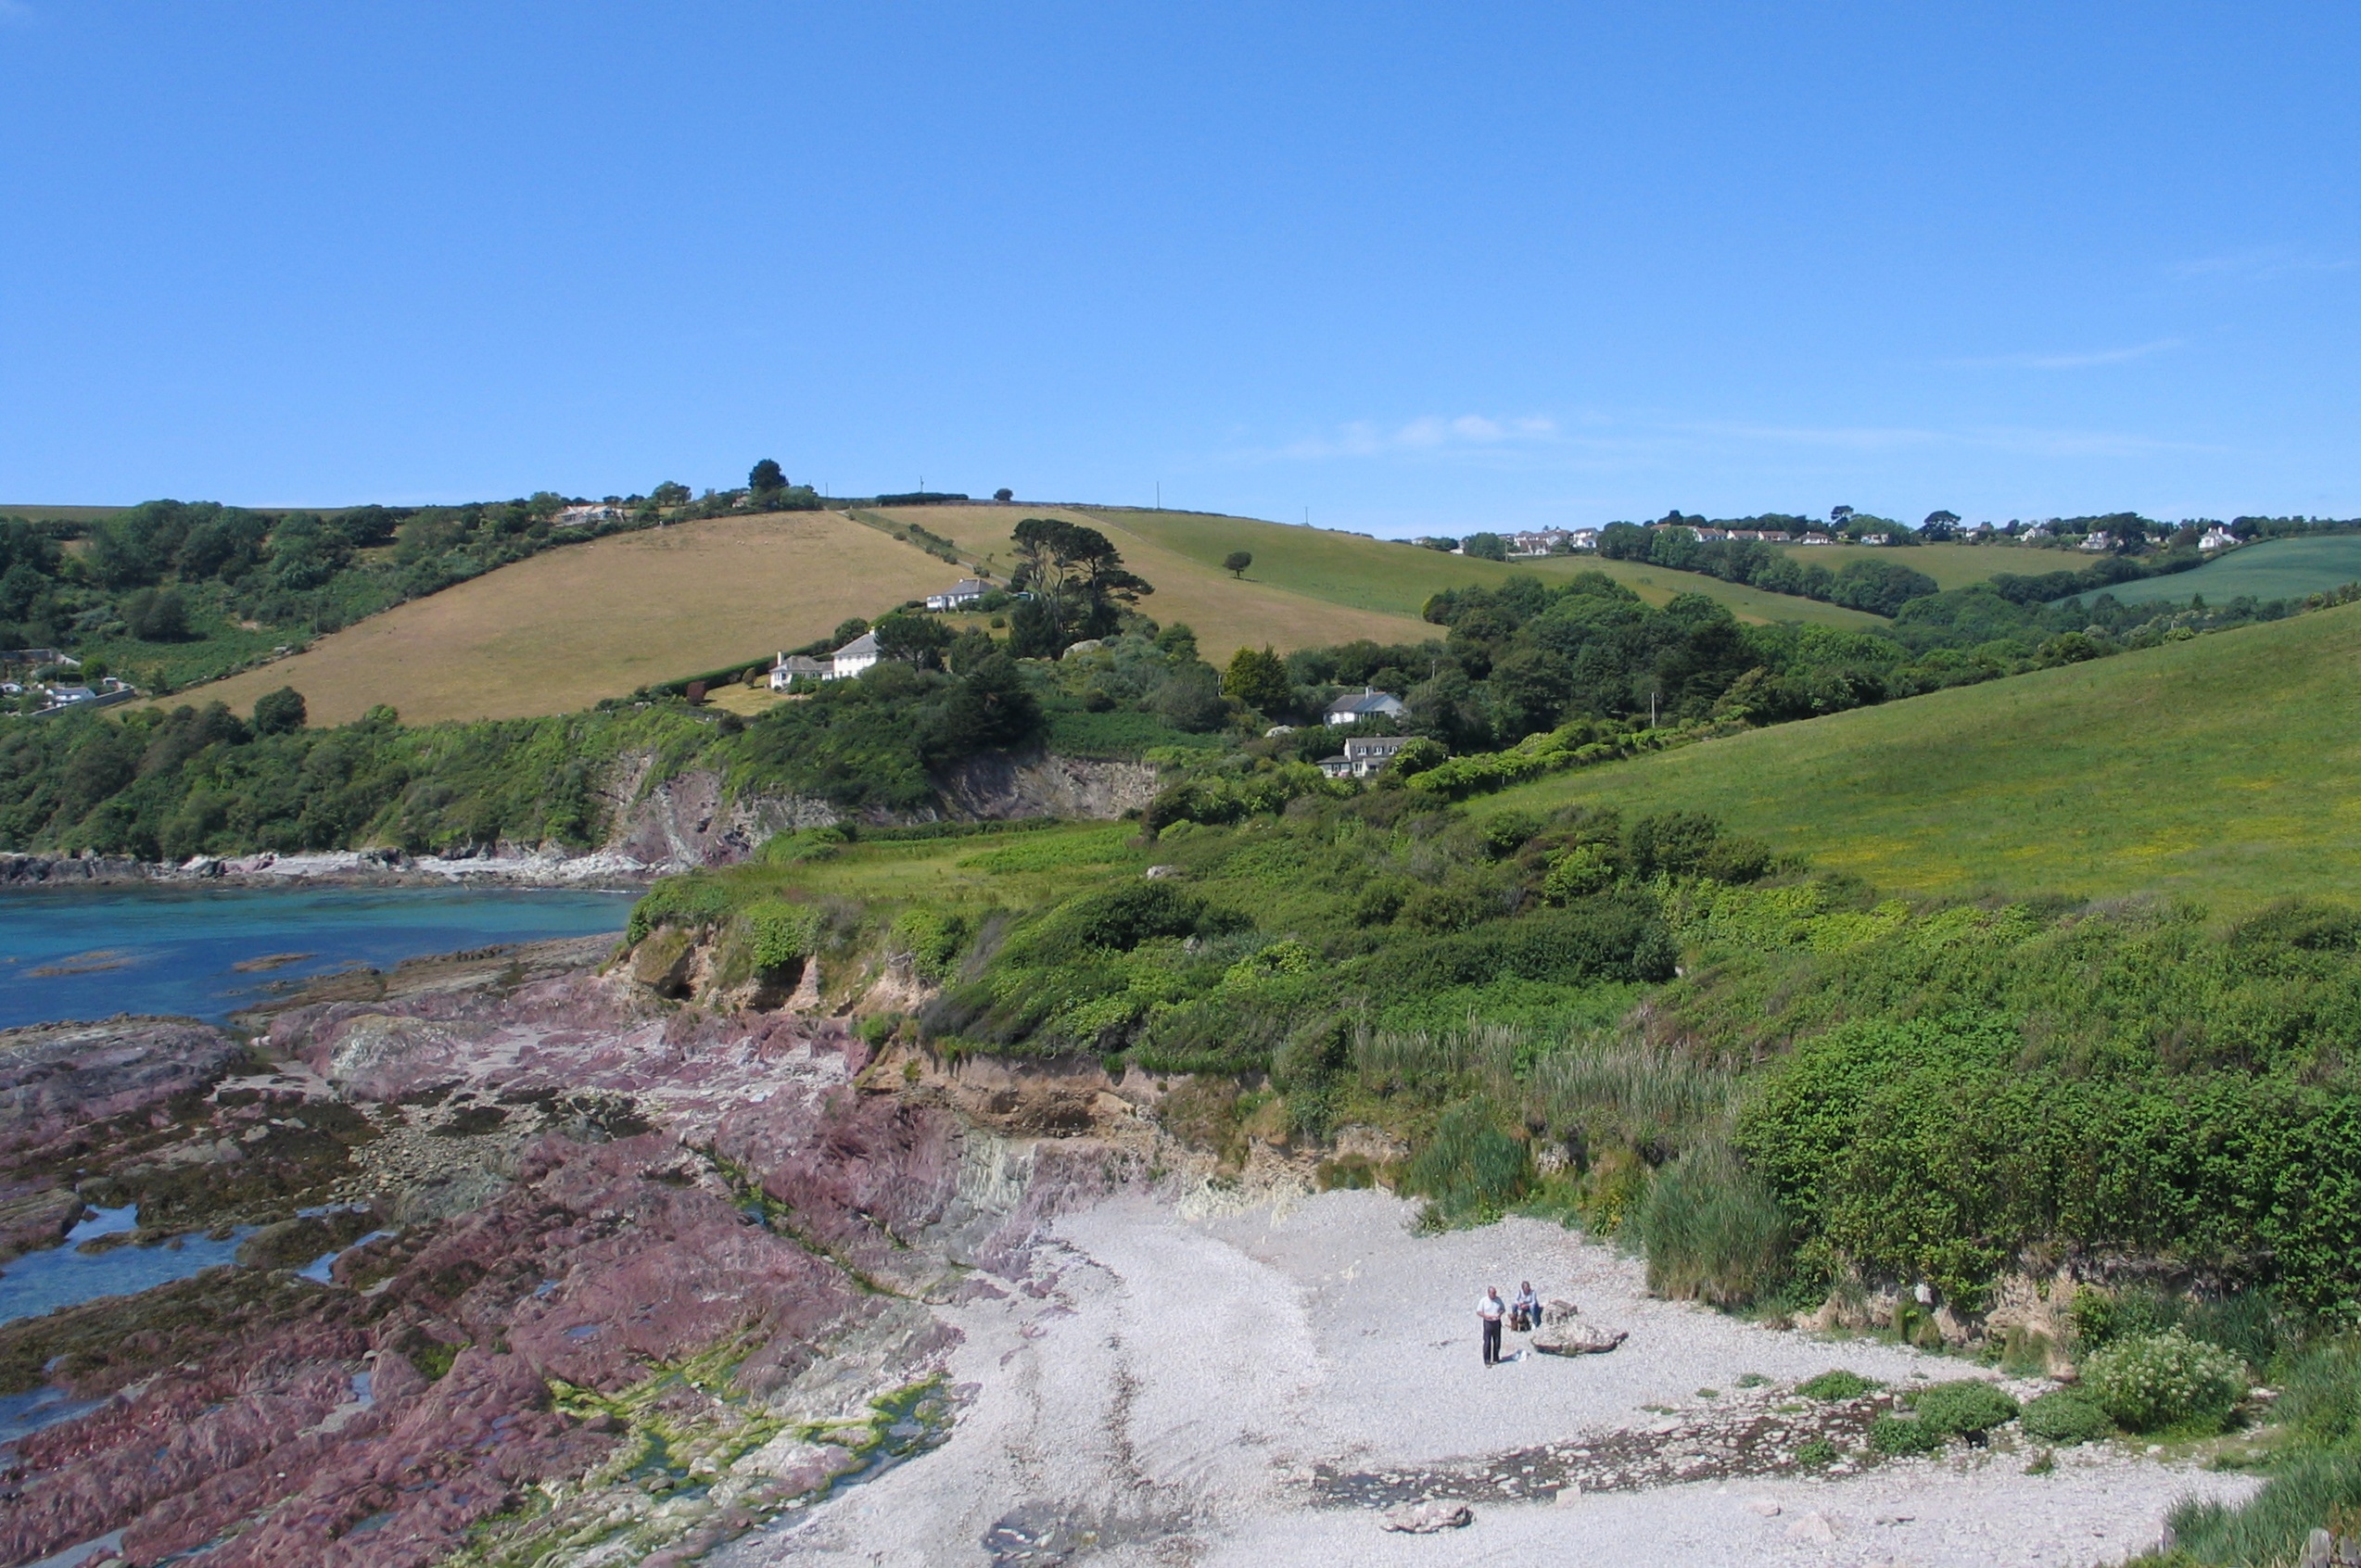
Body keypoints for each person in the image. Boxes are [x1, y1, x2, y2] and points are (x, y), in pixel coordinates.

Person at [1478, 1285, 1506, 1367]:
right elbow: (1479, 1311)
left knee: (1497, 1341)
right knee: (1487, 1342)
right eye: (1493, 1293)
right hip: (1488, 1323)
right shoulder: (1483, 1300)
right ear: (1489, 1293)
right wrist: (1486, 1316)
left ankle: (1495, 1358)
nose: (1494, 1294)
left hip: (1497, 1322)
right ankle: (1487, 1360)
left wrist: (1499, 1314)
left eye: (1495, 1293)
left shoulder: (1498, 1300)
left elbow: (1503, 1309)